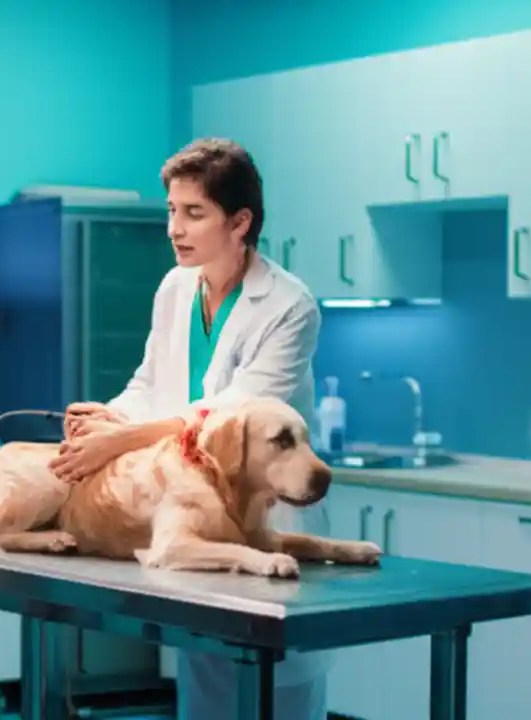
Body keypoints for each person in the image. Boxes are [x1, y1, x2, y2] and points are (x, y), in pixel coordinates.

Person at [50, 137, 331, 719]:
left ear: (240, 221)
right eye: (172, 211)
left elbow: (231, 414)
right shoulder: (177, 287)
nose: (174, 228)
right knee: (206, 675)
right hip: (198, 510)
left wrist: (123, 439)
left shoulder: (289, 305)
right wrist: (107, 416)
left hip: (266, 511)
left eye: (193, 213)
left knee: (276, 688)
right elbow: (151, 385)